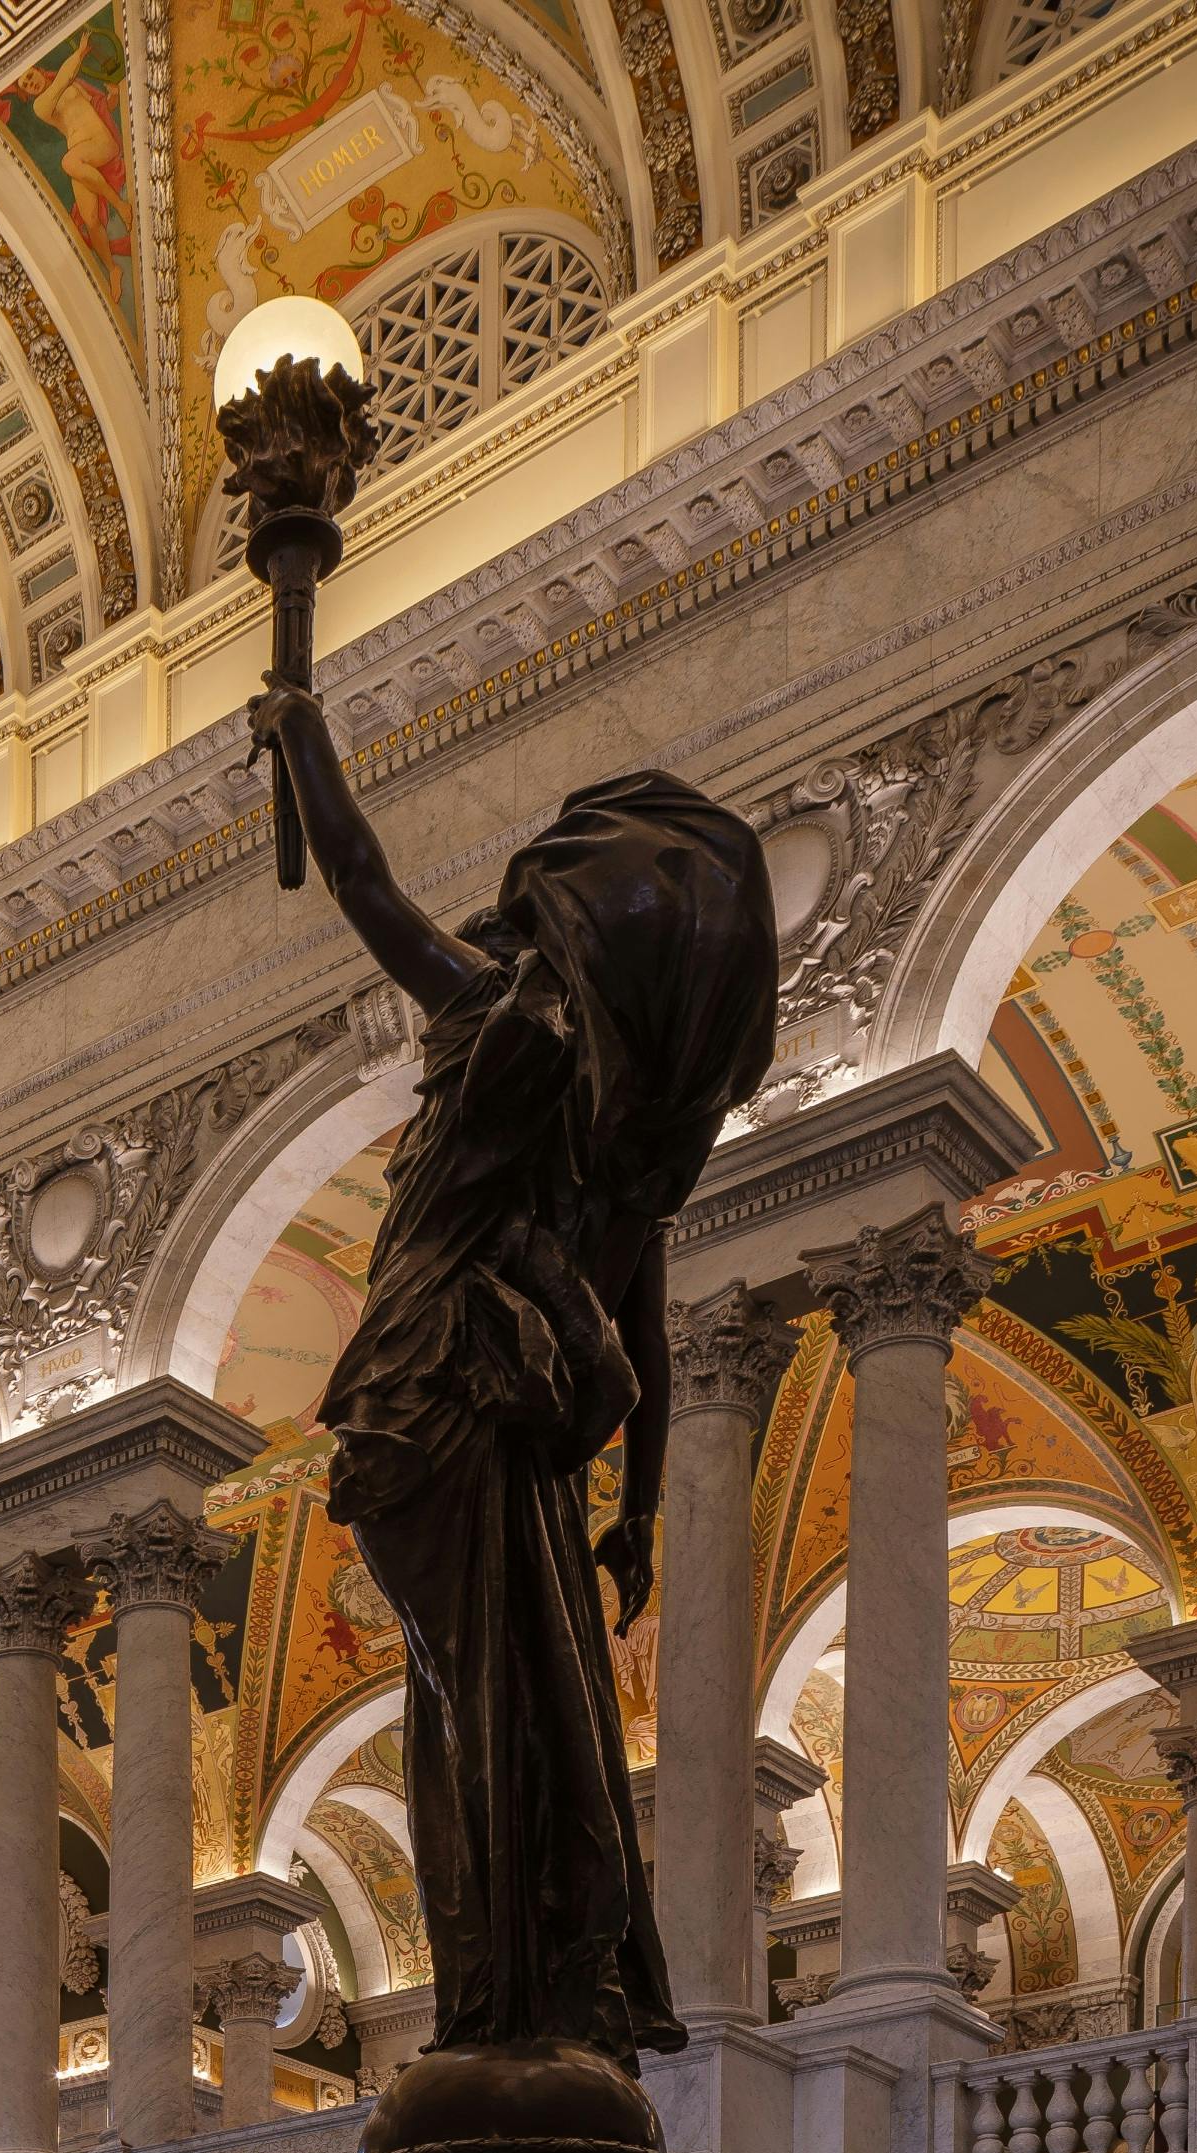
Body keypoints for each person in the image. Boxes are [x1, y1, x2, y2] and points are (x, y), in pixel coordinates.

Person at [244, 677, 779, 2067]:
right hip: (498, 1420)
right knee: (523, 1701)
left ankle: (508, 1993)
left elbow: (364, 886)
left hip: (436, 1392)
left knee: (493, 1704)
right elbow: (643, 1347)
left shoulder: (507, 1020)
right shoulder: (626, 1142)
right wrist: (638, 1510)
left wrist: (304, 734)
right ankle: (526, 1985)